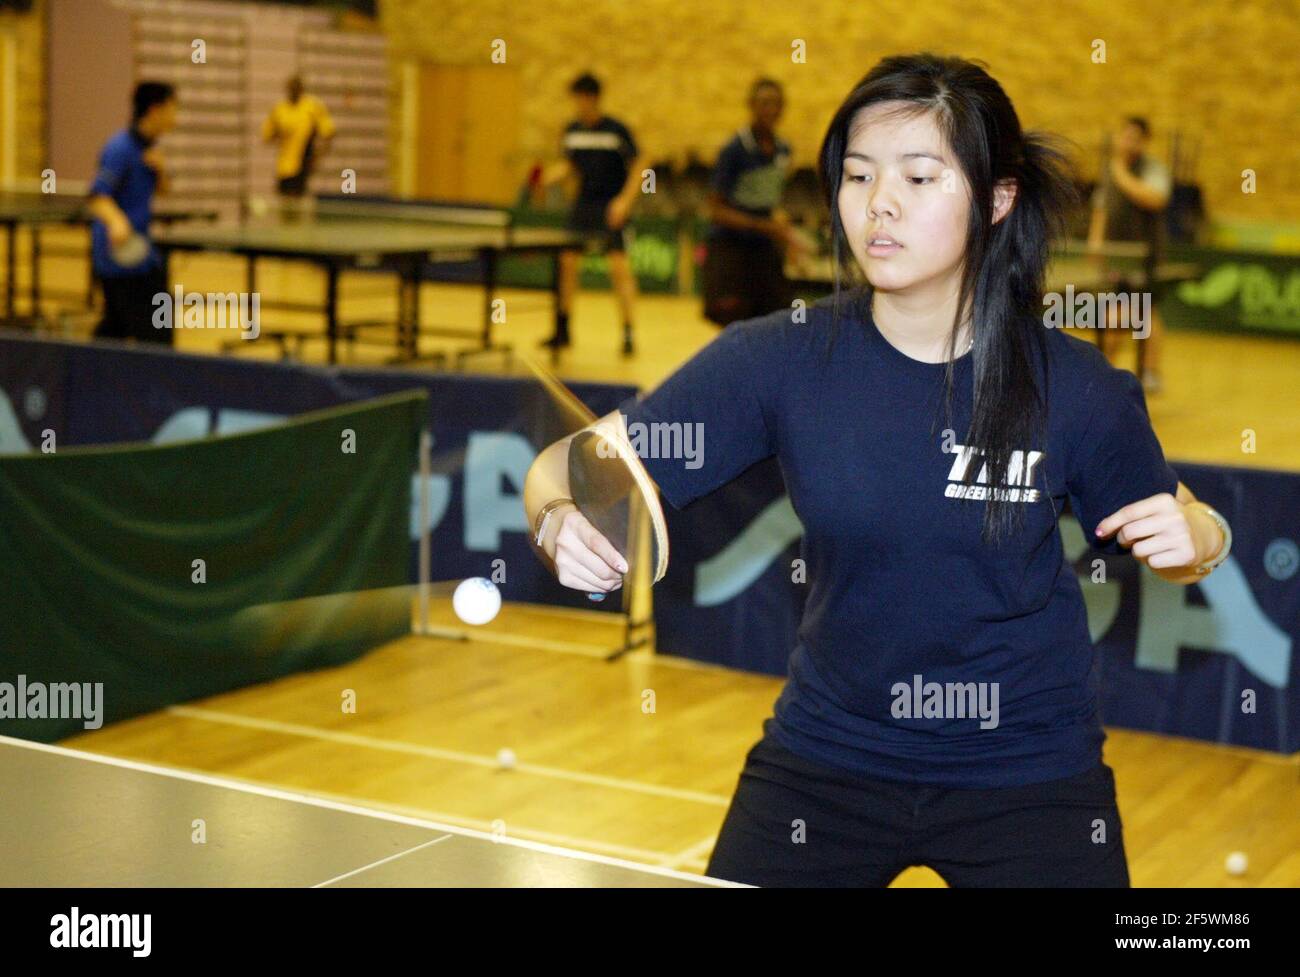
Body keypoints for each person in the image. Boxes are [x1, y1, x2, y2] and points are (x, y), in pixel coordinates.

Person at [524, 54, 1233, 888]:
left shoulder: (1072, 384)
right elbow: (562, 469)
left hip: (1028, 770)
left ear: (997, 200)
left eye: (919, 176)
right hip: (829, 757)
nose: (879, 204)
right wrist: (555, 520)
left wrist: (1197, 537)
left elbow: (1191, 522)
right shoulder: (780, 358)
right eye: (858, 175)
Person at [534, 73, 643, 357]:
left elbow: (641, 166)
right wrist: (545, 180)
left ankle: (628, 332)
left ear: (592, 98)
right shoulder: (572, 130)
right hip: (583, 204)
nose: (576, 104)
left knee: (619, 268)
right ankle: (563, 329)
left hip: (611, 206)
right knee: (567, 262)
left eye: (579, 98)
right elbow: (568, 167)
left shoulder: (616, 130)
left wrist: (625, 201)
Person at [702, 78, 803, 326]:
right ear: (751, 106)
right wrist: (764, 226)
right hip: (729, 247)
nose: (772, 109)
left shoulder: (784, 150)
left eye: (778, 103)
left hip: (763, 250)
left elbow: (768, 203)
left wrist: (786, 234)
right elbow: (715, 210)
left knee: (778, 319)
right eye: (765, 103)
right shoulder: (734, 150)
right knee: (734, 321)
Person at [87, 81, 178, 345]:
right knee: (157, 332)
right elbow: (97, 196)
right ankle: (159, 384)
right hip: (121, 255)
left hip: (139, 251)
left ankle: (83, 375)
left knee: (114, 328)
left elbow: (162, 191)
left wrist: (161, 170)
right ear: (155, 110)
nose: (176, 116)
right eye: (173, 108)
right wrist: (117, 222)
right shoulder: (120, 148)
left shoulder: (150, 149)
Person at [1087, 116, 1172, 393]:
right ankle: (1106, 372)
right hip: (1115, 257)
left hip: (1145, 256)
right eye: (1124, 135)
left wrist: (1120, 172)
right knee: (1113, 314)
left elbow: (1155, 198)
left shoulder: (1153, 169)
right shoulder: (1108, 171)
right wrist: (1095, 242)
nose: (1127, 141)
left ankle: (1149, 373)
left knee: (1147, 311)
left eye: (1134, 137)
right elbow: (1102, 208)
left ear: (1144, 142)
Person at [261, 75, 335, 214]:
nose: (293, 91)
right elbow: (267, 136)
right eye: (291, 88)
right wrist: (279, 133)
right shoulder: (279, 109)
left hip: (303, 163)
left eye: (297, 88)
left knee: (297, 205)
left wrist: (318, 157)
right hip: (283, 165)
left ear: (301, 89)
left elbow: (329, 134)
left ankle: (295, 233)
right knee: (285, 206)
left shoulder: (313, 107)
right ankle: (287, 234)